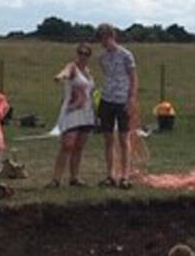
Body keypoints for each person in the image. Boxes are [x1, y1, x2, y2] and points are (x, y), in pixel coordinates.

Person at [95, 23, 137, 188]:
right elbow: (107, 75)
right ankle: (110, 175)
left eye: (103, 38)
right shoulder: (102, 58)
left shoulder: (126, 55)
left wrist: (131, 98)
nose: (102, 43)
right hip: (107, 99)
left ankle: (125, 176)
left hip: (122, 100)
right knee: (108, 139)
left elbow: (133, 77)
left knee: (123, 138)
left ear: (110, 36)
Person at [50, 42, 97, 187]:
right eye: (80, 53)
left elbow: (90, 91)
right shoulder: (72, 67)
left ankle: (74, 177)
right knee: (67, 145)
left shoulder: (88, 72)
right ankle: (56, 179)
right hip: (72, 112)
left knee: (79, 146)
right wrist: (60, 77)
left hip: (86, 112)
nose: (83, 56)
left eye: (86, 54)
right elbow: (65, 72)